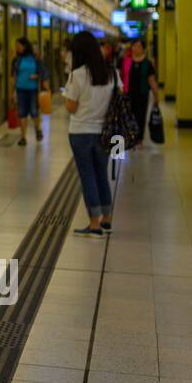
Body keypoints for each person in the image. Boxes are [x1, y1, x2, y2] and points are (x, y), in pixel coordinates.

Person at [64, 32, 116, 238]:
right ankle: (107, 219)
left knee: (87, 176)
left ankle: (94, 223)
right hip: (105, 132)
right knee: (101, 174)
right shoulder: (112, 73)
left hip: (81, 132)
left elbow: (70, 106)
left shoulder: (77, 75)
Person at [126, 37, 159, 147]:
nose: (135, 48)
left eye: (138, 46)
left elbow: (152, 80)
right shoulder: (127, 61)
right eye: (134, 46)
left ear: (143, 49)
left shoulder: (147, 64)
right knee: (129, 115)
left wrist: (156, 95)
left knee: (140, 116)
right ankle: (131, 137)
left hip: (142, 94)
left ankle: (139, 138)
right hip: (128, 94)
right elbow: (121, 77)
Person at [12, 37, 43, 145]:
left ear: (25, 46)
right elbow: (14, 75)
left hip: (32, 89)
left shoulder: (35, 58)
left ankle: (38, 130)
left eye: (19, 46)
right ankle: (23, 137)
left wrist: (37, 75)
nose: (17, 48)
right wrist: (13, 91)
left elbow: (41, 71)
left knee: (34, 111)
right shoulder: (16, 60)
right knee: (22, 113)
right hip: (21, 89)